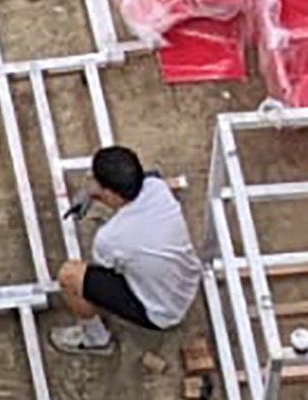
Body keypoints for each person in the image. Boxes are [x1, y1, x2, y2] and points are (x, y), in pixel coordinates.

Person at [51, 144, 203, 356]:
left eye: (94, 181)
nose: (89, 180)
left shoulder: (109, 239)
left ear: (111, 194)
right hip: (187, 280)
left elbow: (110, 268)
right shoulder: (157, 187)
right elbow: (151, 175)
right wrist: (90, 194)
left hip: (161, 313)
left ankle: (96, 340)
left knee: (70, 277)